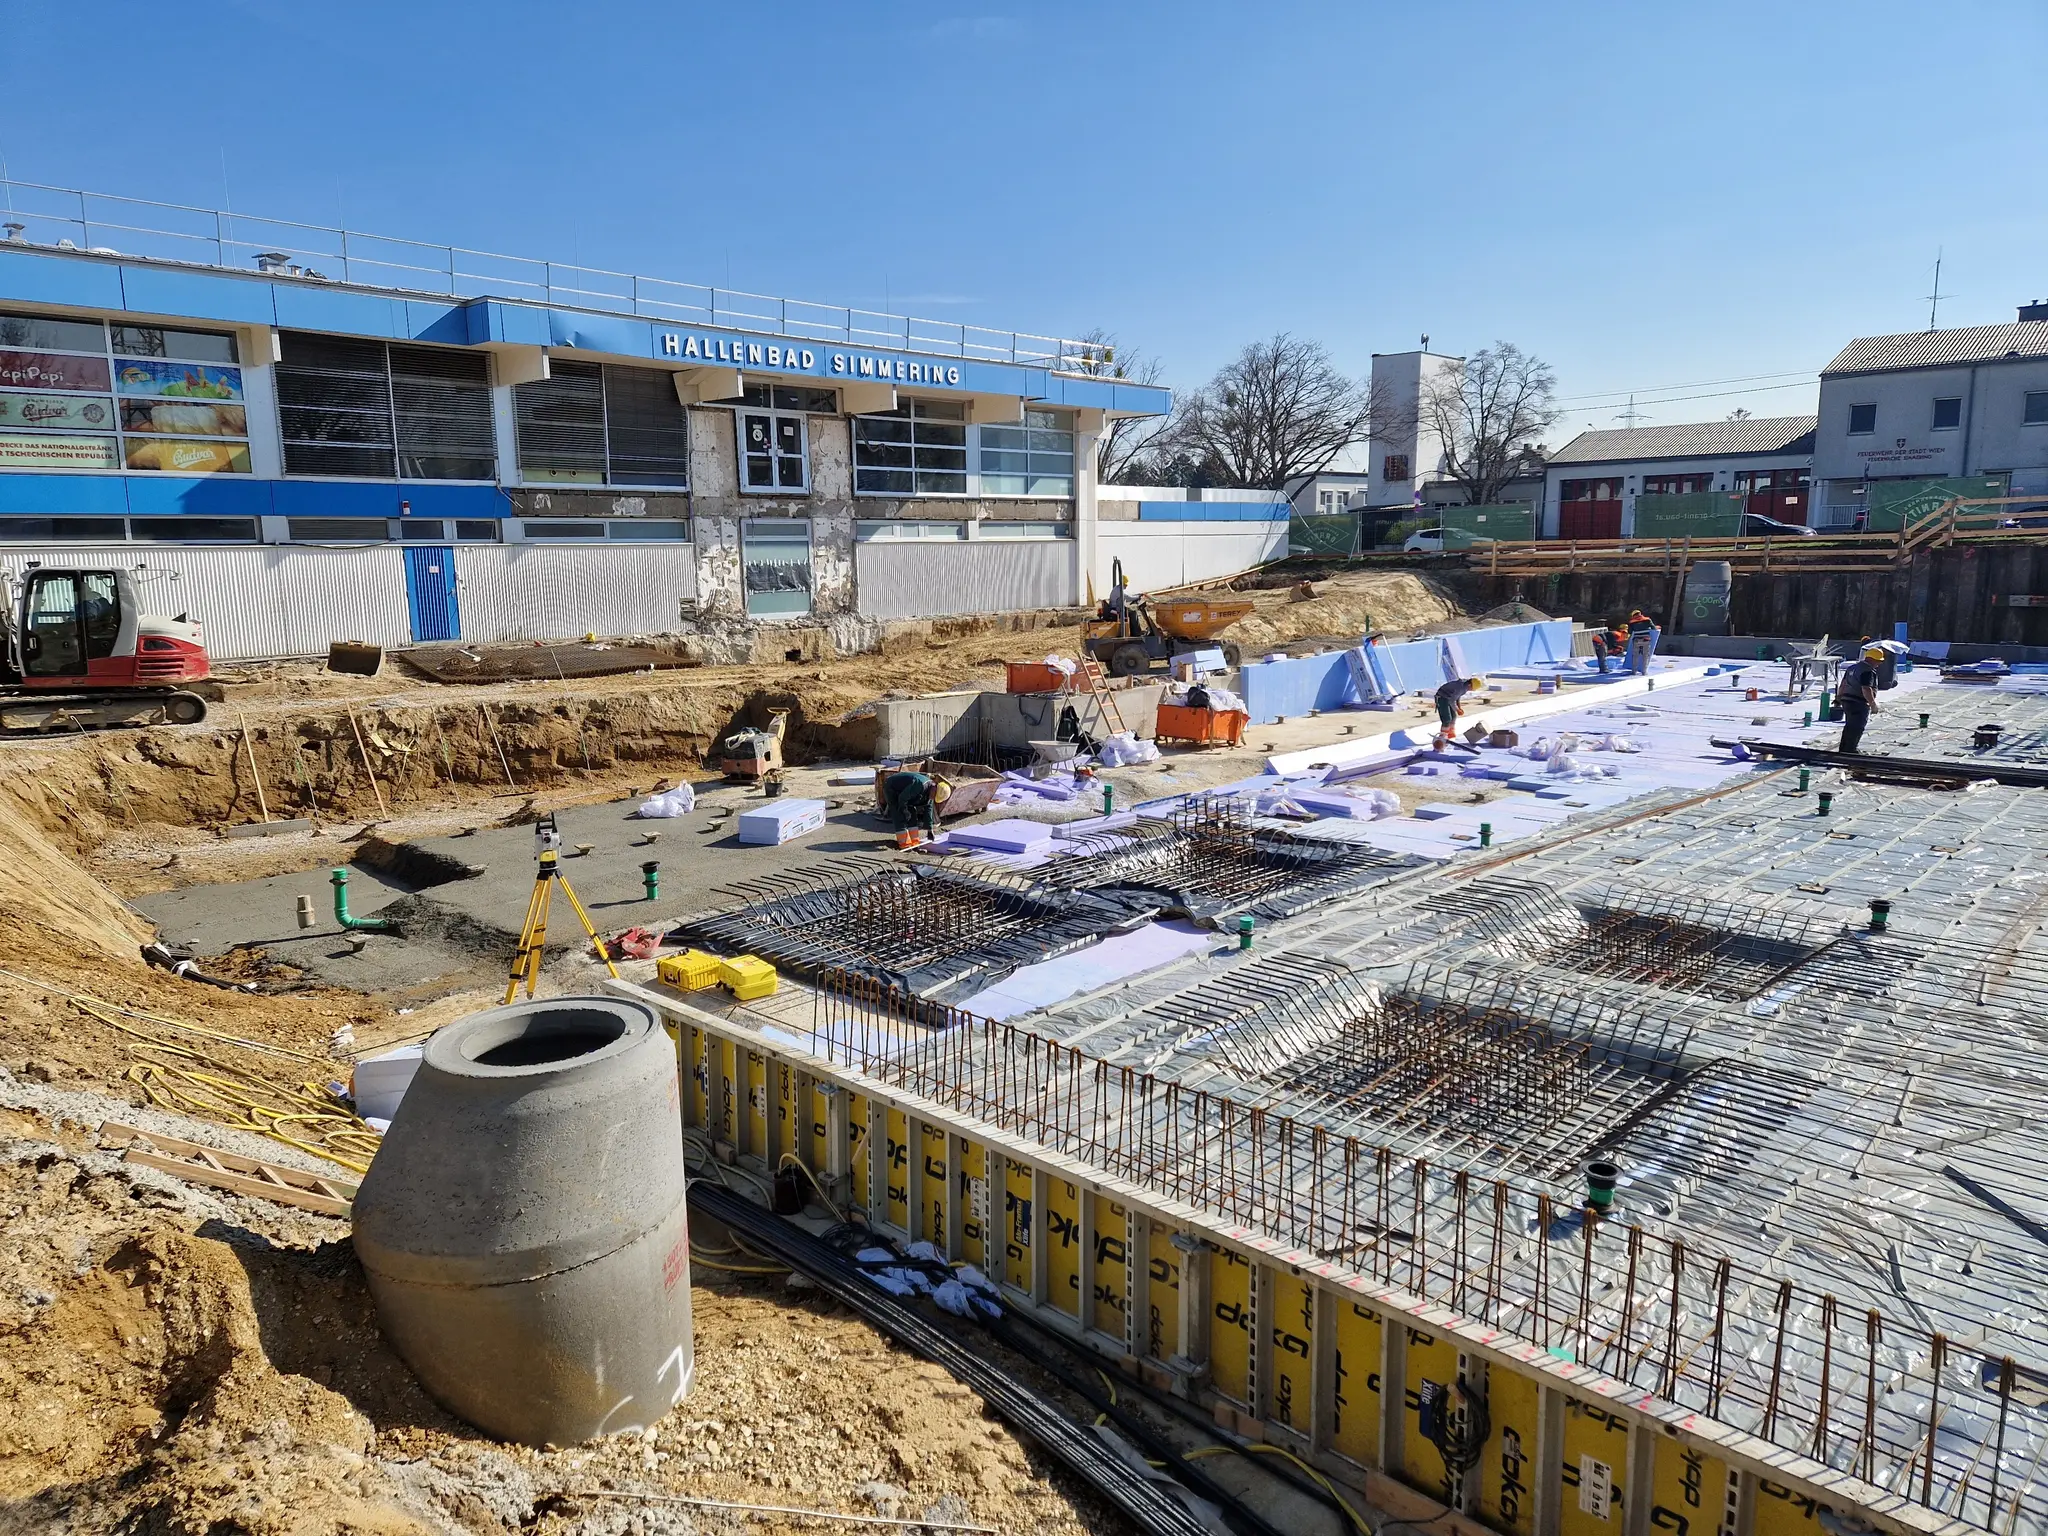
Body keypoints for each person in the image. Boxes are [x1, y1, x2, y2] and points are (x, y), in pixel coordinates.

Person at [1837, 646, 1883, 754]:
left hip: (1847, 700)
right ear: (1872, 659)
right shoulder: (1867, 670)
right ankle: (1851, 750)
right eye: (1878, 661)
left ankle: (1844, 748)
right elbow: (1866, 688)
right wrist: (1873, 704)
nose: (1879, 664)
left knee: (1849, 725)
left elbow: (1843, 684)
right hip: (1858, 702)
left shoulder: (1852, 668)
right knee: (1857, 726)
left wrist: (1838, 698)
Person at [881, 770, 951, 839]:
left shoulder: (931, 792)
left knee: (912, 814)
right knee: (899, 814)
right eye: (935, 796)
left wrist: (929, 830)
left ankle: (914, 842)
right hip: (892, 787)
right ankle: (904, 844)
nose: (933, 798)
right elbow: (902, 798)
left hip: (906, 793)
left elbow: (928, 810)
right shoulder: (919, 785)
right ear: (935, 789)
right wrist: (904, 811)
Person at [1433, 676, 1483, 748]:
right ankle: (1443, 736)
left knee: (1454, 716)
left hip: (1449, 697)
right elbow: (1452, 701)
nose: (1470, 690)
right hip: (1442, 697)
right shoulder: (1461, 687)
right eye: (1471, 689)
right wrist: (1457, 710)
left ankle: (1450, 734)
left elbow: (1457, 696)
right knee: (1447, 719)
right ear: (1470, 685)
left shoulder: (1464, 686)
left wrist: (1459, 707)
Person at [1625, 610, 1658, 675]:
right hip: (1646, 639)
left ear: (1634, 615)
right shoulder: (1647, 619)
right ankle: (1644, 671)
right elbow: (1653, 628)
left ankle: (1634, 671)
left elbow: (1630, 632)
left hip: (1637, 640)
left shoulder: (1632, 622)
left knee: (1635, 656)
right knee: (1645, 655)